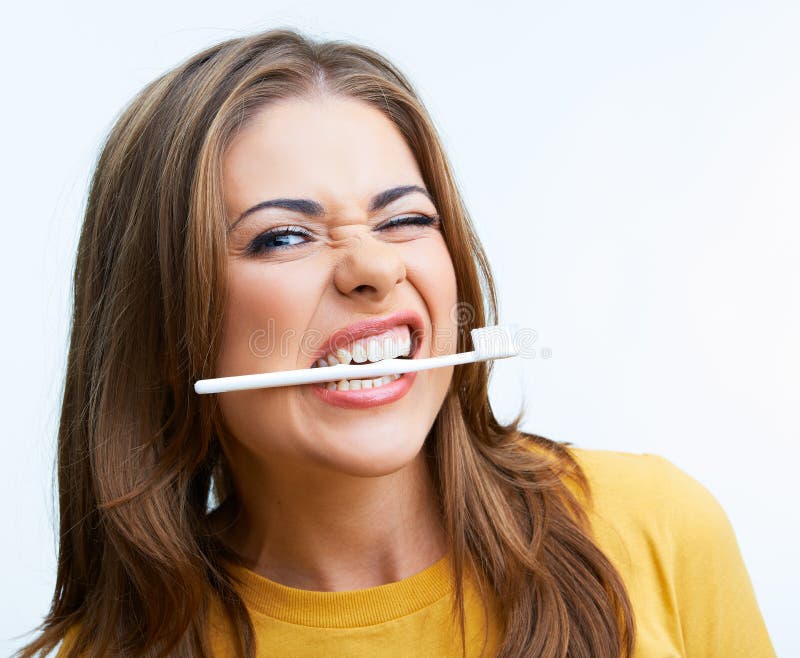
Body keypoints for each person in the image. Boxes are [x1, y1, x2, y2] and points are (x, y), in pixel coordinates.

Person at [19, 27, 775, 658]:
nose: (376, 268)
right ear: (166, 327)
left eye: (405, 220)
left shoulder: (652, 523)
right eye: (284, 236)